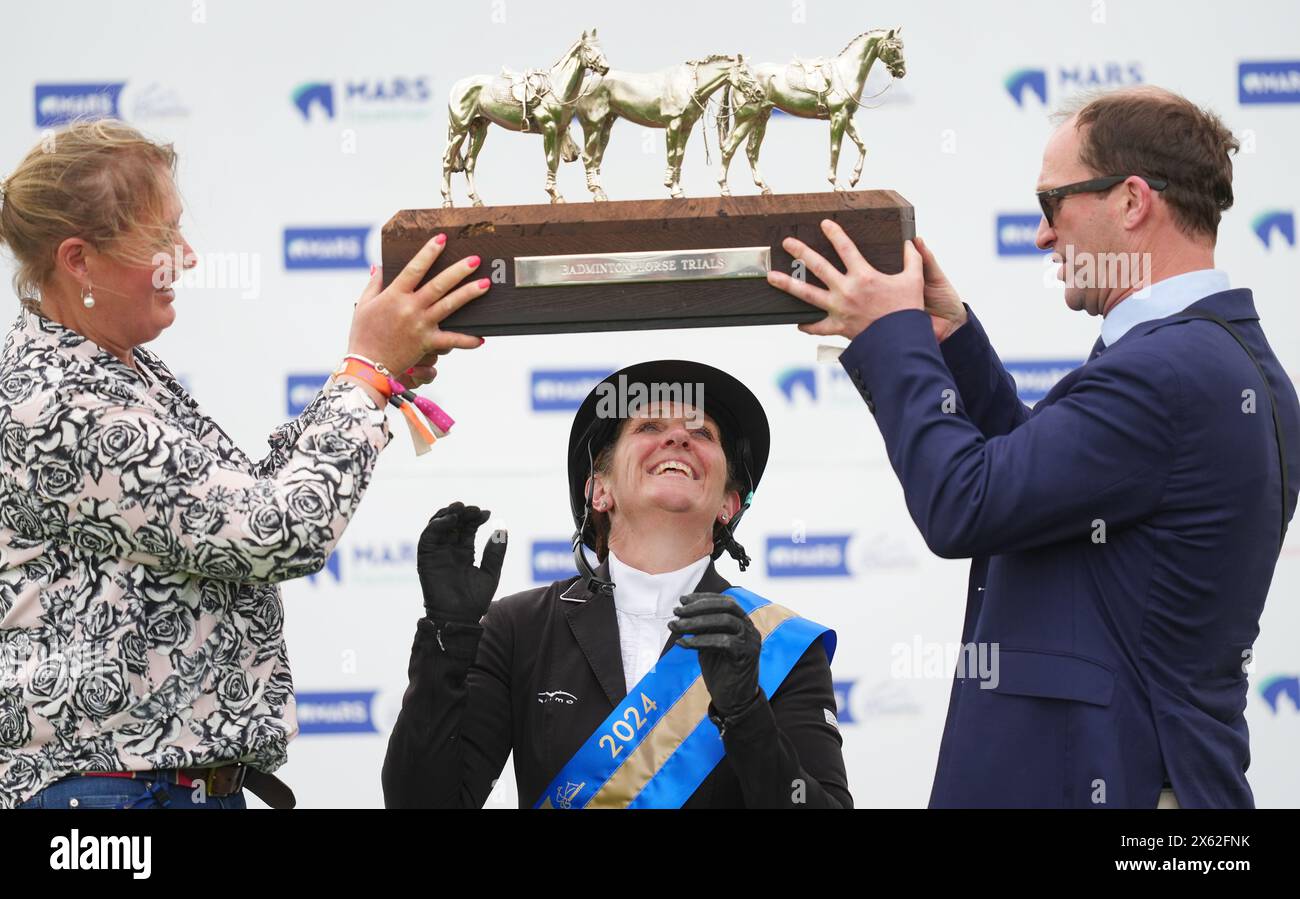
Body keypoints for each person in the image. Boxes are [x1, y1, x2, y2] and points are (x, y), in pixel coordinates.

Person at [768, 85, 1300, 809]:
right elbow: (1046, 493)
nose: (1044, 234)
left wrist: (891, 336)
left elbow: (966, 501)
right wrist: (947, 340)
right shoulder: (1218, 361)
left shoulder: (1166, 371)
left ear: (1132, 200)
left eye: (1053, 204)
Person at [0, 119, 489, 809]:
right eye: (160, 237)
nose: (188, 256)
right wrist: (364, 373)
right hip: (114, 802)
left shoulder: (107, 370)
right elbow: (276, 530)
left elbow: (250, 499)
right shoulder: (58, 400)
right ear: (78, 259)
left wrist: (370, 377)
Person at [382, 360, 850, 808]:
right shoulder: (521, 626)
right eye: (649, 427)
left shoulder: (778, 644)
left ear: (729, 504)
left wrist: (746, 712)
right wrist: (448, 635)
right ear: (598, 490)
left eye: (702, 433)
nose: (678, 438)